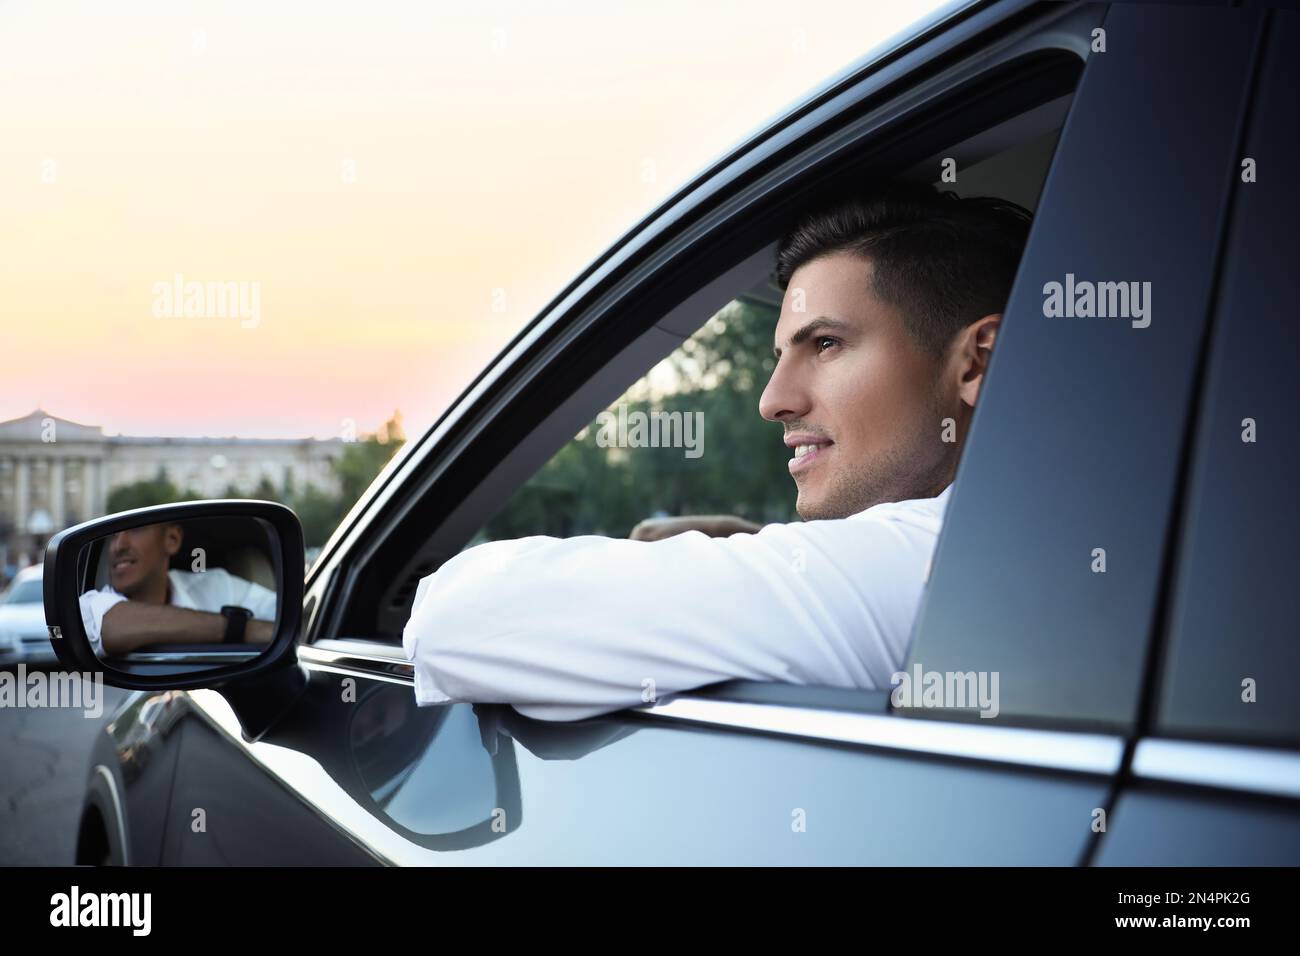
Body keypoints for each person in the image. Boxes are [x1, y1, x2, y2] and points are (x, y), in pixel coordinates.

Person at [403, 186, 1031, 720]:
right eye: (778, 356)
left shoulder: (932, 562)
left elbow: (458, 623)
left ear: (978, 361)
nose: (773, 400)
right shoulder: (1027, 552)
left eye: (828, 344)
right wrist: (761, 544)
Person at [78, 522, 277, 657]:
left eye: (135, 529)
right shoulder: (89, 606)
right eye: (113, 536)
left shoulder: (217, 585)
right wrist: (242, 628)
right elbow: (109, 626)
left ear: (172, 539)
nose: (118, 546)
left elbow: (286, 615)